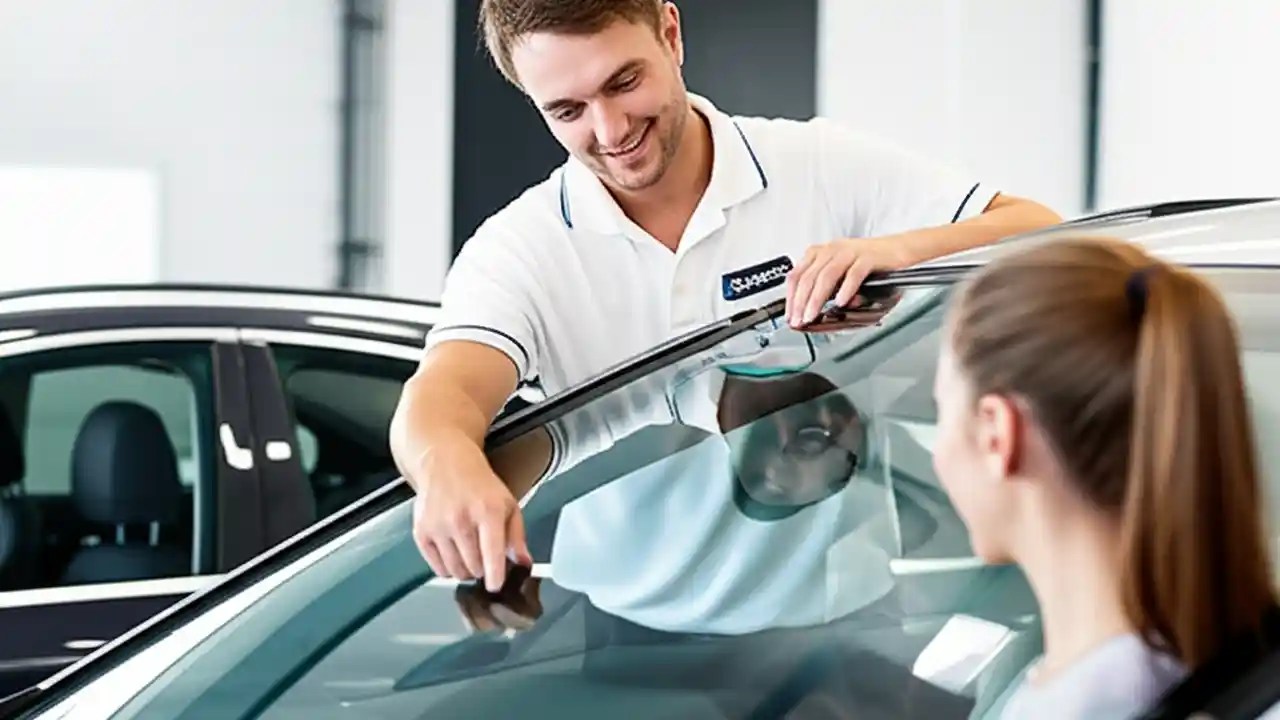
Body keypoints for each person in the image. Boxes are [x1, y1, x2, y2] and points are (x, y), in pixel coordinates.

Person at [390, 0, 1061, 601]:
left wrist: (897, 252)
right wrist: (447, 468)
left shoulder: (818, 165)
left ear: (670, 33)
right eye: (568, 111)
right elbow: (441, 395)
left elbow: (1040, 232)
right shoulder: (522, 249)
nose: (612, 127)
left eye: (625, 82)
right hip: (628, 644)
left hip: (847, 622)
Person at [930, 236, 1280, 718]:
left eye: (941, 410)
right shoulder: (1234, 668)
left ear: (996, 432)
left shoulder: (1076, 704)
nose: (938, 455)